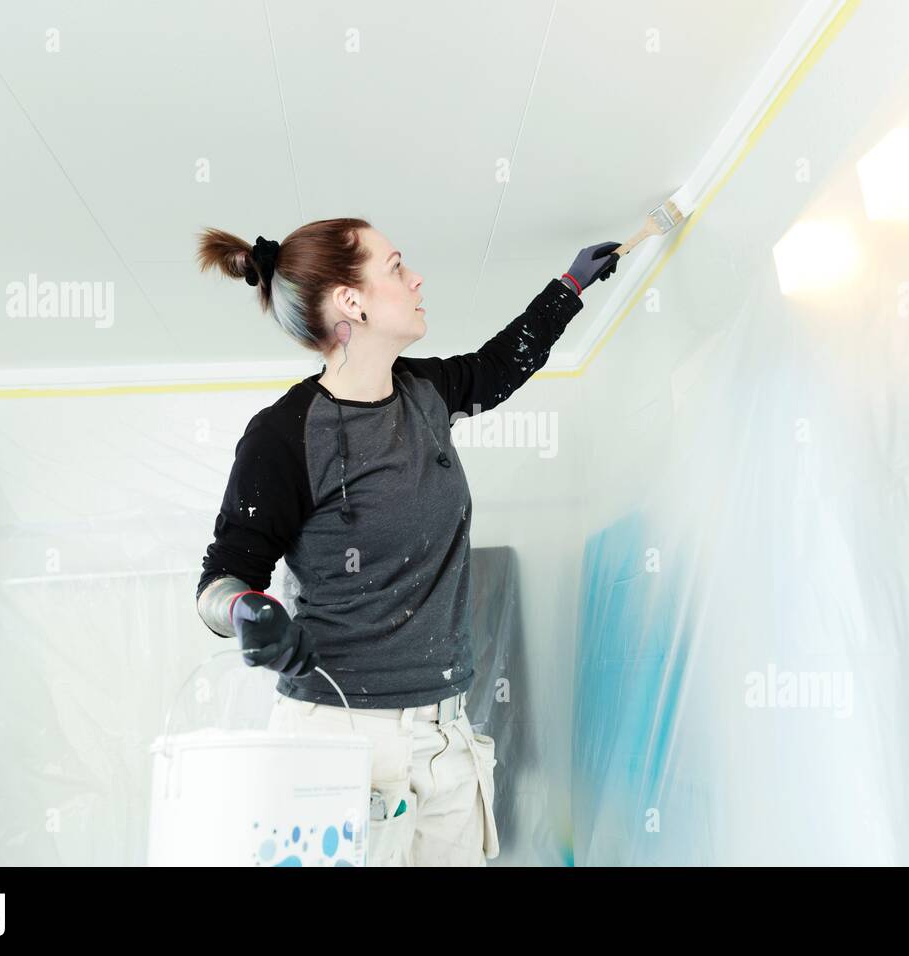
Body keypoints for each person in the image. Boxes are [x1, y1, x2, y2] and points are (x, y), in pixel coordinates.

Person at [194, 218, 619, 865]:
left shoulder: (426, 394)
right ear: (350, 301)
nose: (416, 277)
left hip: (446, 736)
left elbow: (501, 365)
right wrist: (247, 611)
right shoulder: (284, 434)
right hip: (338, 741)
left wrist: (571, 285)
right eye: (396, 266)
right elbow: (220, 582)